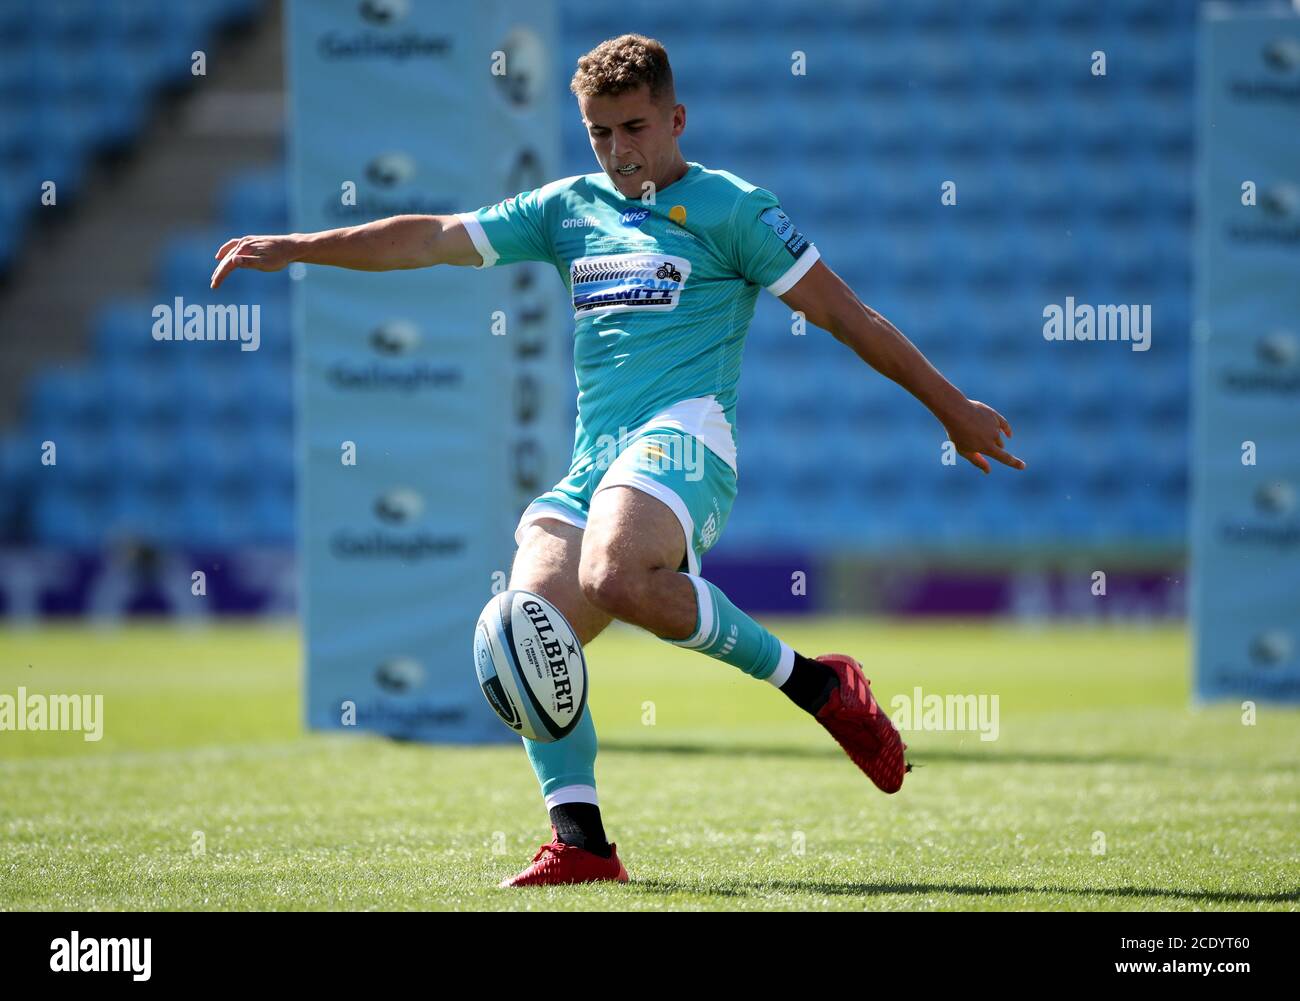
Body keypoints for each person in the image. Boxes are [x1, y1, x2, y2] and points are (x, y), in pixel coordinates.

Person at [210, 33, 1024, 888]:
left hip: (686, 439)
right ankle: (584, 843)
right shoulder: (569, 209)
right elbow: (432, 237)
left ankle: (816, 687)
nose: (618, 149)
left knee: (611, 573)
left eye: (634, 126)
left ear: (676, 118)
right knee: (526, 629)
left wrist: (951, 407)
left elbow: (848, 315)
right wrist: (299, 246)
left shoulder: (735, 210)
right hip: (593, 464)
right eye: (600, 133)